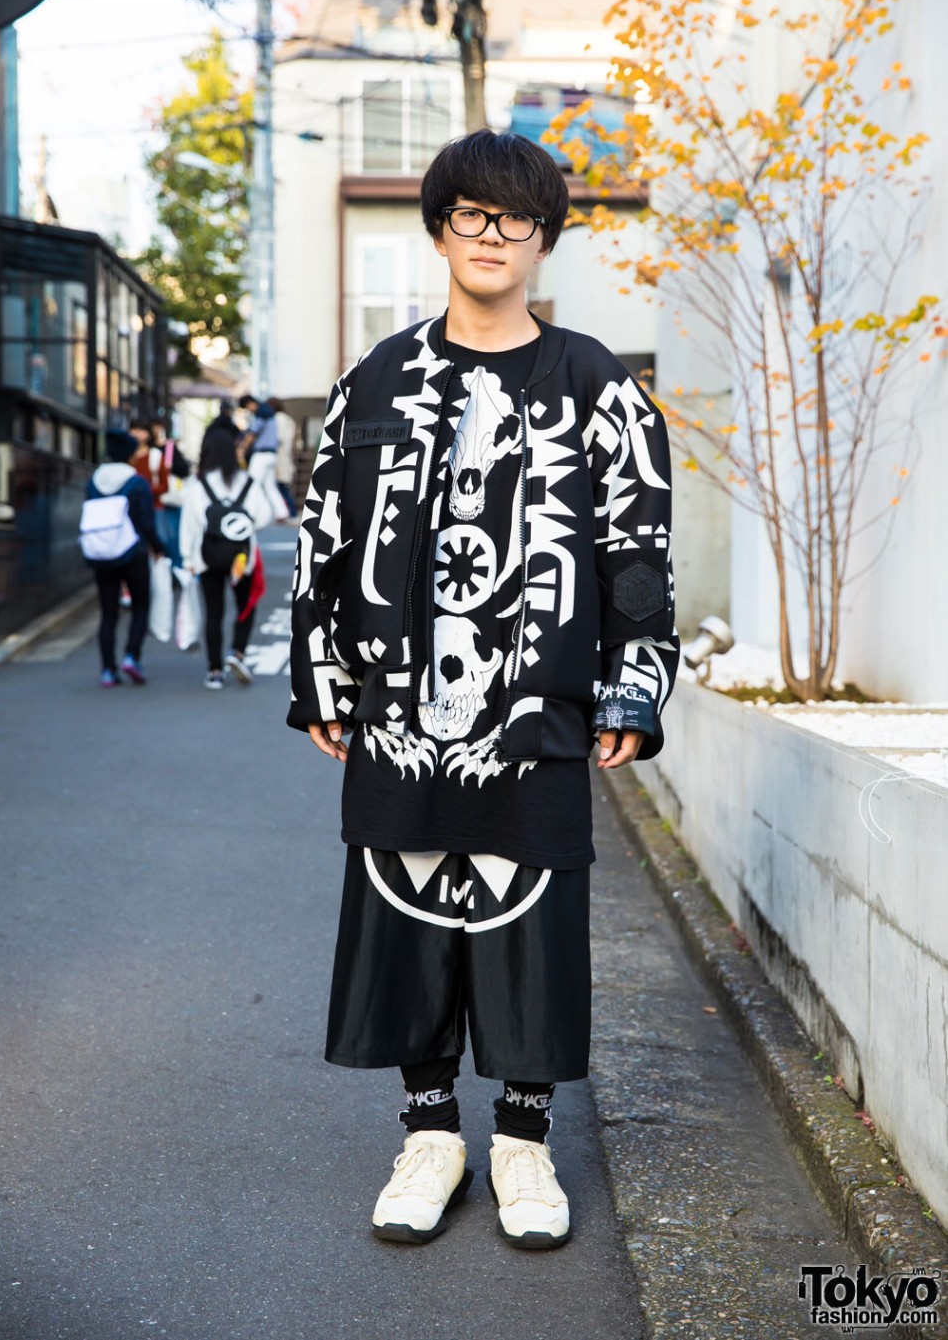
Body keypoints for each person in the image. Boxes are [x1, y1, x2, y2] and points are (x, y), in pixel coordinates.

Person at [288, 130, 679, 1250]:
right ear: (439, 229)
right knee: (405, 909)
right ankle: (428, 1136)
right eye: (472, 214)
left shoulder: (595, 382)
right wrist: (322, 672)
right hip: (398, 705)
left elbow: (636, 550)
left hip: (536, 707)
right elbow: (326, 536)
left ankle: (520, 1141)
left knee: (531, 918)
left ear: (544, 239)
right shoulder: (375, 379)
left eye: (516, 219)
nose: (492, 236)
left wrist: (632, 686)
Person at [180, 426, 275, 690]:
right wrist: (242, 525)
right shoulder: (247, 482)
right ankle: (238, 652)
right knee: (245, 605)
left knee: (214, 612)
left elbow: (189, 523)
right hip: (241, 557)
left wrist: (187, 557)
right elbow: (264, 516)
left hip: (207, 556)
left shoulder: (198, 484)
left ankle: (214, 671)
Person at [83, 428, 165, 687]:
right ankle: (131, 656)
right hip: (134, 552)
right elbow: (147, 522)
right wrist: (158, 547)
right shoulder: (137, 483)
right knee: (140, 606)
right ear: (130, 455)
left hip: (101, 553)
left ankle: (108, 670)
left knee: (108, 613)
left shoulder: (93, 482)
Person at [146, 419, 190, 570]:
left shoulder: (169, 447)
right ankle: (165, 569)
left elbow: (183, 470)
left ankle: (175, 570)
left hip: (168, 499)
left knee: (171, 537)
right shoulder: (146, 451)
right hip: (153, 501)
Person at [240, 392, 288, 522]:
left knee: (252, 484)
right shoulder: (270, 413)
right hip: (272, 454)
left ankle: (250, 512)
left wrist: (242, 448)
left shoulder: (260, 413)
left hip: (261, 454)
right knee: (270, 486)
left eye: (247, 408)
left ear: (250, 403)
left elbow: (252, 433)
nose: (249, 411)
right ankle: (282, 512)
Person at [270, 396, 299, 518]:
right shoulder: (288, 419)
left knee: (282, 487)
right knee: (283, 487)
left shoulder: (278, 418)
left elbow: (279, 437)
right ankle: (289, 513)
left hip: (280, 456)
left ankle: (291, 513)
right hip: (286, 455)